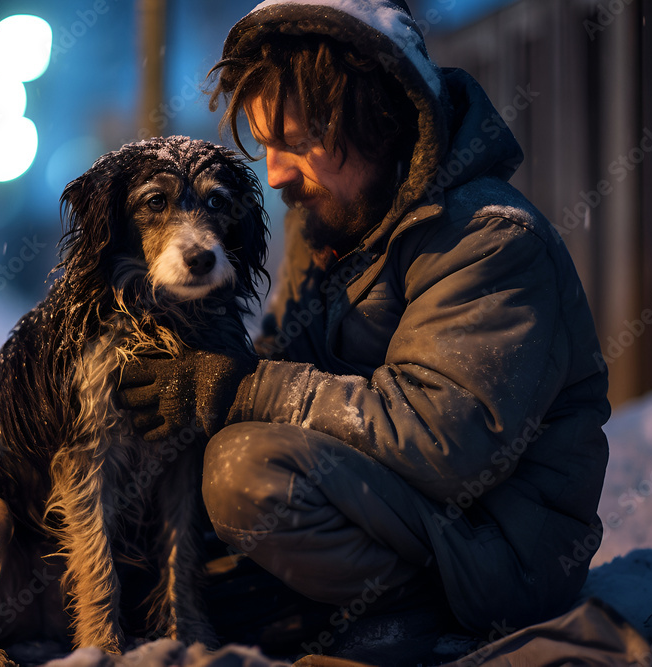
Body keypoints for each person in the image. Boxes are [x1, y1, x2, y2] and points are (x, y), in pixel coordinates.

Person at [118, 0, 611, 661]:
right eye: (266, 145)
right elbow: (284, 358)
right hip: (401, 515)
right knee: (179, 517)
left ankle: (404, 616)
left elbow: (440, 440)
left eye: (296, 142)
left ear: (379, 117)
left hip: (500, 552)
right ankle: (318, 598)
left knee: (243, 473)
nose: (276, 174)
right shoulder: (333, 217)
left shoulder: (490, 239)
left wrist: (237, 387)